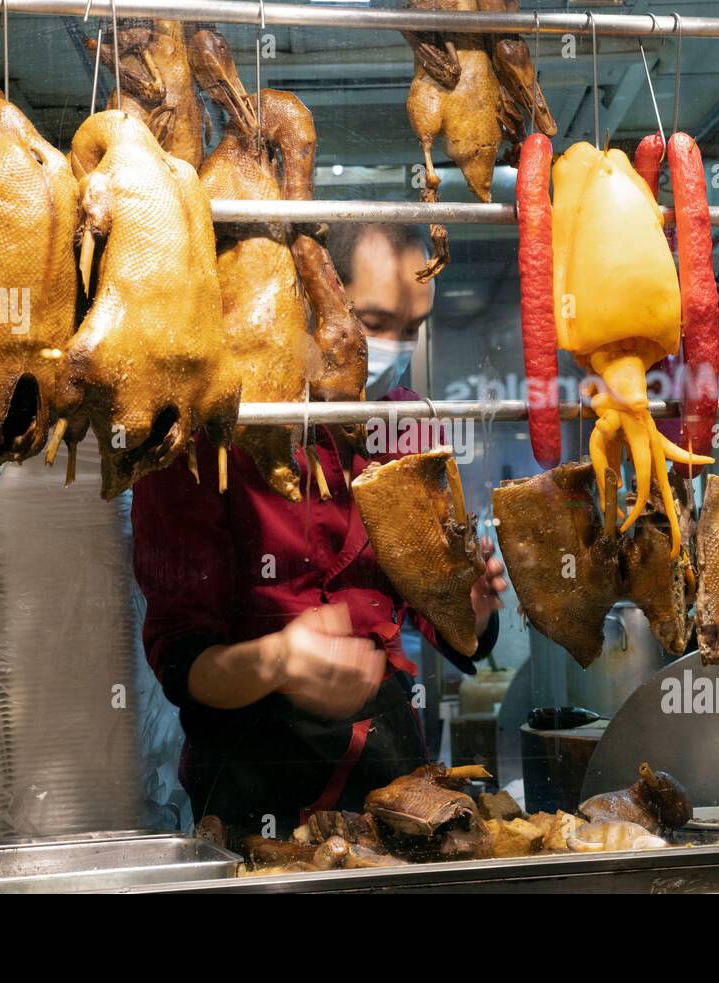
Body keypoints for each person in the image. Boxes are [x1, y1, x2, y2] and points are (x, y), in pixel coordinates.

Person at [131, 223, 506, 838]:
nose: (395, 348)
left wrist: (471, 609)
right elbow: (183, 660)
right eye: (376, 322)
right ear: (314, 302)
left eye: (412, 329)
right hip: (253, 770)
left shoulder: (404, 427)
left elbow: (454, 632)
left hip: (391, 771)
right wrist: (277, 660)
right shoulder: (209, 435)